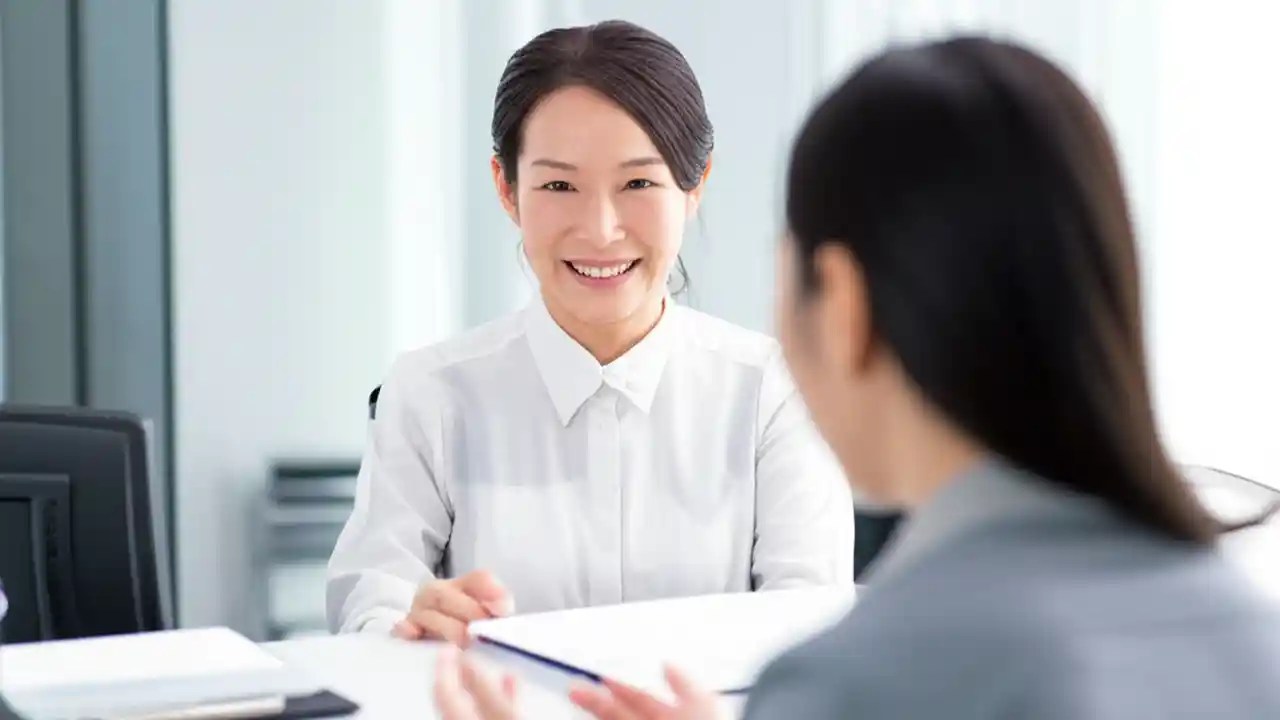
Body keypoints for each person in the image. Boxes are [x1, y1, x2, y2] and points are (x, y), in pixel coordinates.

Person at [433, 36, 1280, 719]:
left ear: (839, 302)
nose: (602, 225)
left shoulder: (858, 680)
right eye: (560, 183)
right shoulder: (1252, 640)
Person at [326, 19, 853, 643]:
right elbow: (370, 607)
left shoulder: (773, 393)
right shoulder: (431, 392)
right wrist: (409, 627)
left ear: (695, 186)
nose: (600, 229)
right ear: (507, 188)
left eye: (638, 183)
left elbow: (809, 635)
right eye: (558, 184)